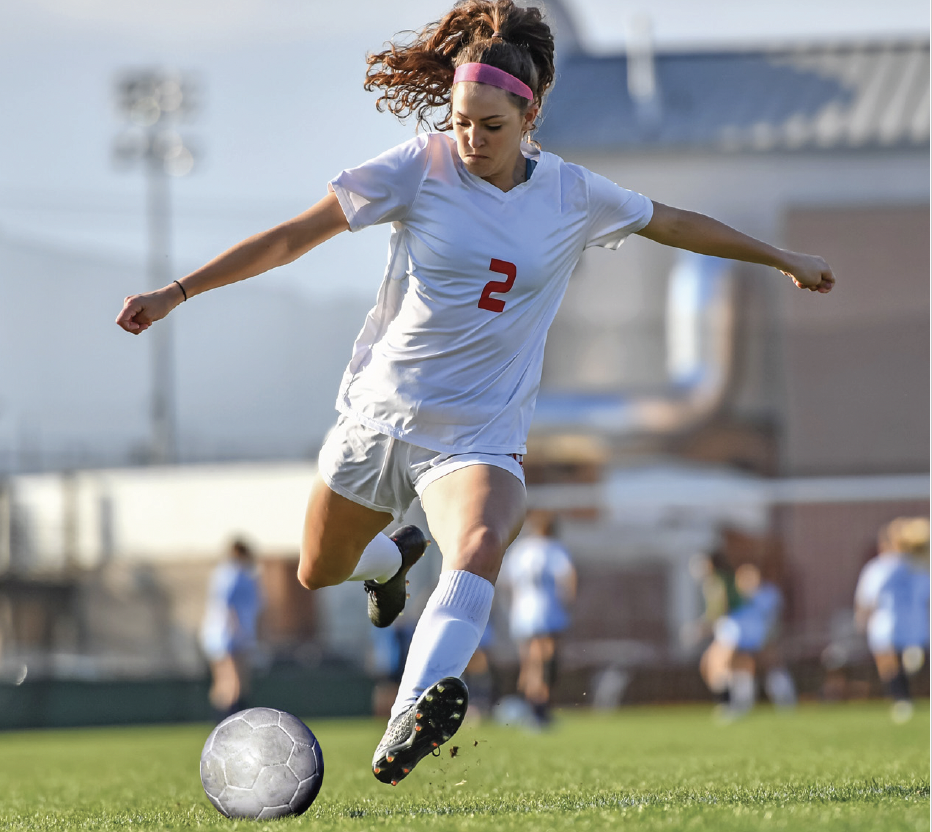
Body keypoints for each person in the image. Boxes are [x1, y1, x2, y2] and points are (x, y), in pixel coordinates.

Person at [115, 0, 835, 784]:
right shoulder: (418, 167)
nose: (472, 139)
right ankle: (389, 563)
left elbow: (676, 224)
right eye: (461, 122)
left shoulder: (571, 195)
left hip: (477, 436)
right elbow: (292, 237)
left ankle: (407, 719)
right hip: (379, 418)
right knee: (317, 570)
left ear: (530, 116)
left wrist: (783, 258)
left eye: (491, 126)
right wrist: (176, 292)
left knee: (483, 541)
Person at [499, 510, 576, 727]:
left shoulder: (521, 550)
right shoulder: (553, 549)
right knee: (546, 659)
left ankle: (530, 705)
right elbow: (568, 577)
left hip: (523, 613)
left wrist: (514, 604)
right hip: (548, 611)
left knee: (529, 661)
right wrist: (567, 603)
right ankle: (540, 708)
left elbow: (507, 582)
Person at [854, 516, 931, 722]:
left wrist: (861, 619)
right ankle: (906, 687)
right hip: (915, 624)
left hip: (886, 623)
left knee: (888, 664)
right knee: (906, 664)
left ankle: (901, 700)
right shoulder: (921, 567)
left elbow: (867, 598)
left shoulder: (880, 567)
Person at [700, 562, 796, 718]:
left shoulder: (768, 595)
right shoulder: (735, 597)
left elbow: (773, 619)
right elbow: (721, 615)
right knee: (734, 665)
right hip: (739, 638)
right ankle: (737, 703)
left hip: (760, 637)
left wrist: (769, 638)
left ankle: (786, 702)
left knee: (771, 665)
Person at [199, 538, 264, 719]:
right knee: (234, 683)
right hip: (228, 636)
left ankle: (223, 722)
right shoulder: (233, 574)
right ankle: (229, 722)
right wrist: (237, 630)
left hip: (225, 636)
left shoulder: (233, 575)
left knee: (229, 683)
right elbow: (226, 604)